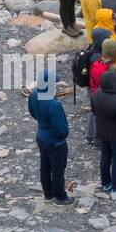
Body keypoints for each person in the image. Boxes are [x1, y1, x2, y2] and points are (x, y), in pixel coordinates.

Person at [29, 65, 72, 206]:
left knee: (45, 167)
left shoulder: (34, 95)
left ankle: (48, 194)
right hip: (56, 142)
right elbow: (62, 130)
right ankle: (60, 197)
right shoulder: (53, 104)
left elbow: (32, 112)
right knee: (58, 170)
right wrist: (64, 134)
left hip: (41, 136)